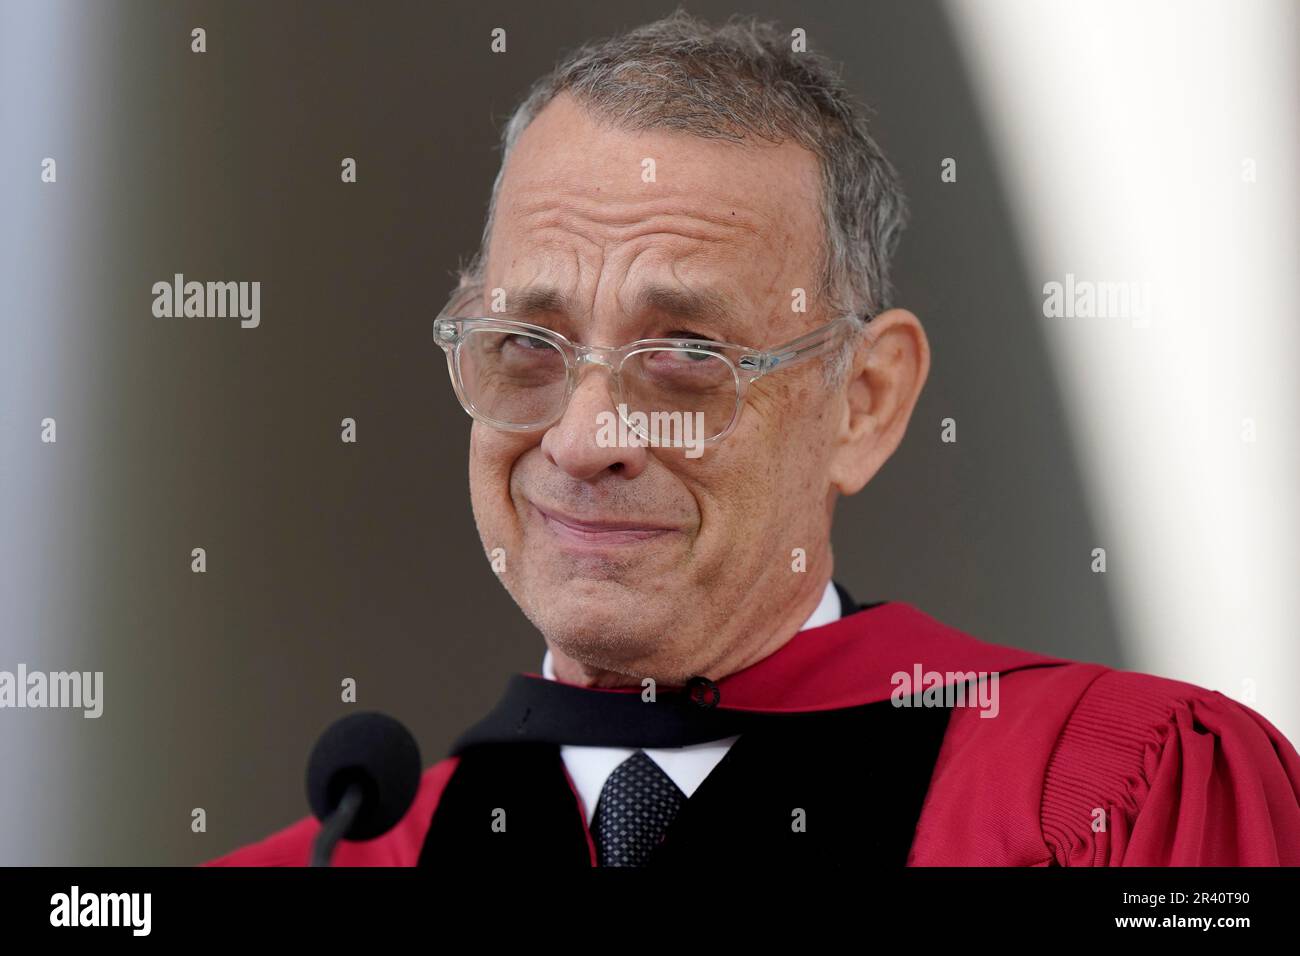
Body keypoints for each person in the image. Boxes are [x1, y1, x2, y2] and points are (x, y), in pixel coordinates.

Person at [206, 11, 1300, 868]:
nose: (585, 440)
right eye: (527, 344)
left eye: (685, 358)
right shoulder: (337, 854)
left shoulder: (1121, 797)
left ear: (862, 401)